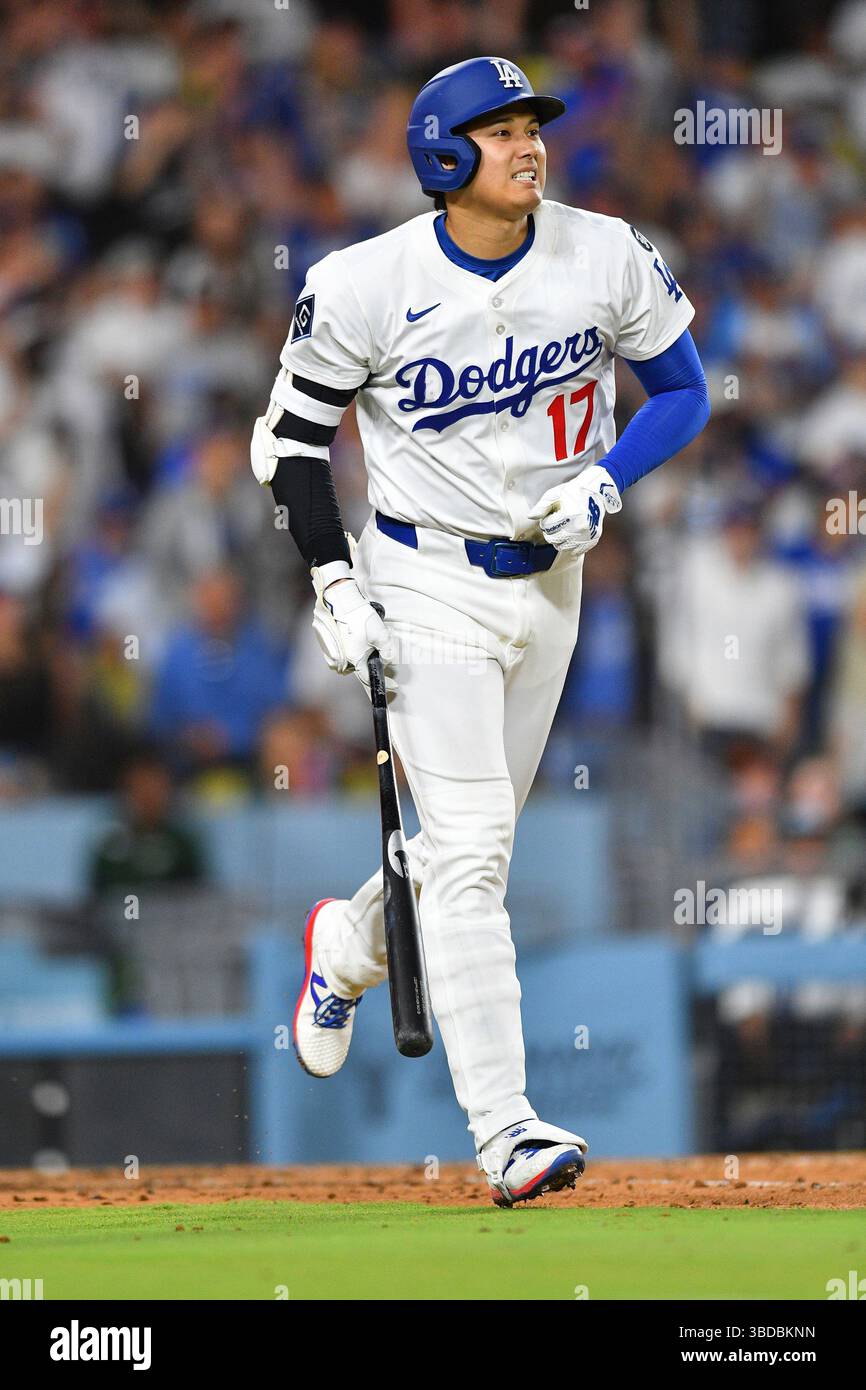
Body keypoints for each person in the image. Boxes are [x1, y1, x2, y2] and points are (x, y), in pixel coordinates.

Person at [251, 57, 710, 1206]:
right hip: (424, 583)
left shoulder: (601, 252)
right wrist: (332, 581)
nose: (528, 145)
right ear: (442, 157)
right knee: (466, 858)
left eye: (532, 127)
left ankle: (347, 950)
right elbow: (290, 446)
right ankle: (504, 1131)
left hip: (550, 586)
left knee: (469, 841)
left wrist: (606, 481)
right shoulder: (365, 282)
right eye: (500, 130)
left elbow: (684, 391)